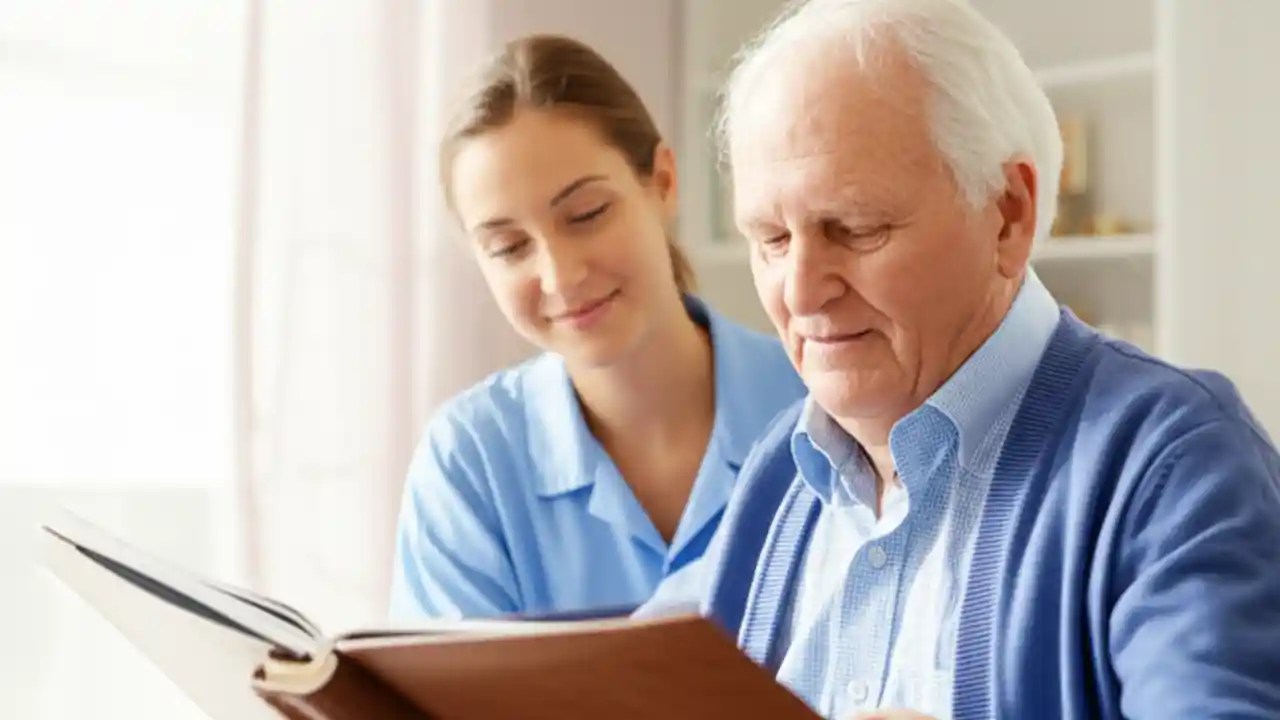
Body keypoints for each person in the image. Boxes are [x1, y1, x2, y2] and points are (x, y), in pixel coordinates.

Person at [642, 0, 1280, 718]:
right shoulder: (778, 475)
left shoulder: (1173, 464)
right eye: (771, 240)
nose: (801, 293)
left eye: (855, 228)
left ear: (1008, 214)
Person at [388, 34, 806, 621]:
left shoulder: (824, 409)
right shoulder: (471, 463)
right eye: (509, 247)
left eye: (586, 215)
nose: (559, 276)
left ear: (663, 183)